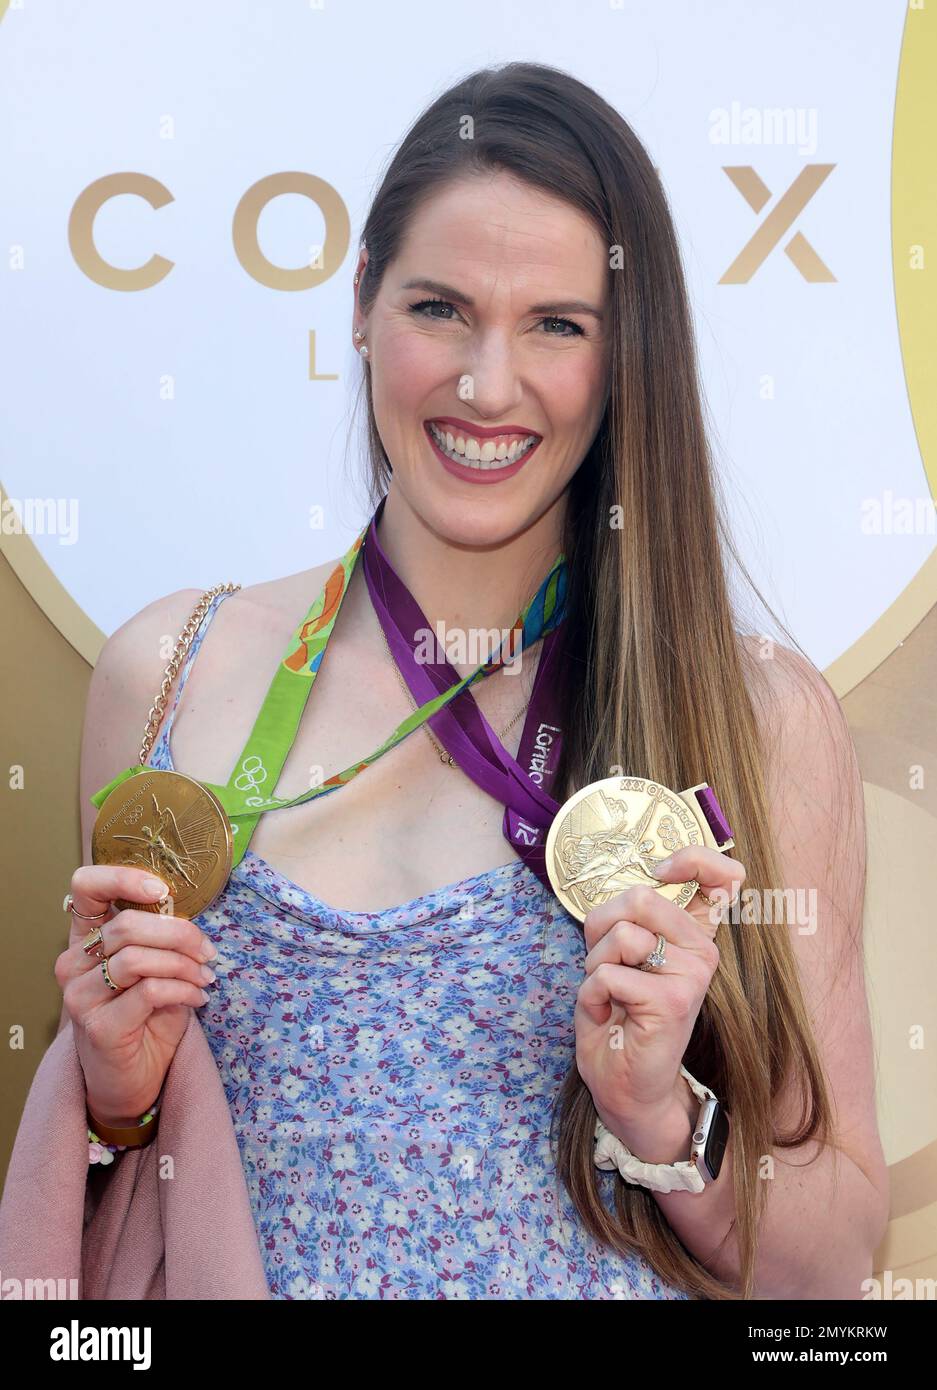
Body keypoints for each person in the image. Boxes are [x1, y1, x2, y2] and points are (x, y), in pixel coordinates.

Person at [1, 60, 888, 1301]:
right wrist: (118, 1096)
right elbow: (125, 1183)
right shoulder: (167, 671)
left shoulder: (753, 718)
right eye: (439, 308)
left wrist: (658, 1118)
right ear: (360, 302)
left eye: (556, 326)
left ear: (623, 351)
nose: (485, 384)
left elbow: (837, 1264)